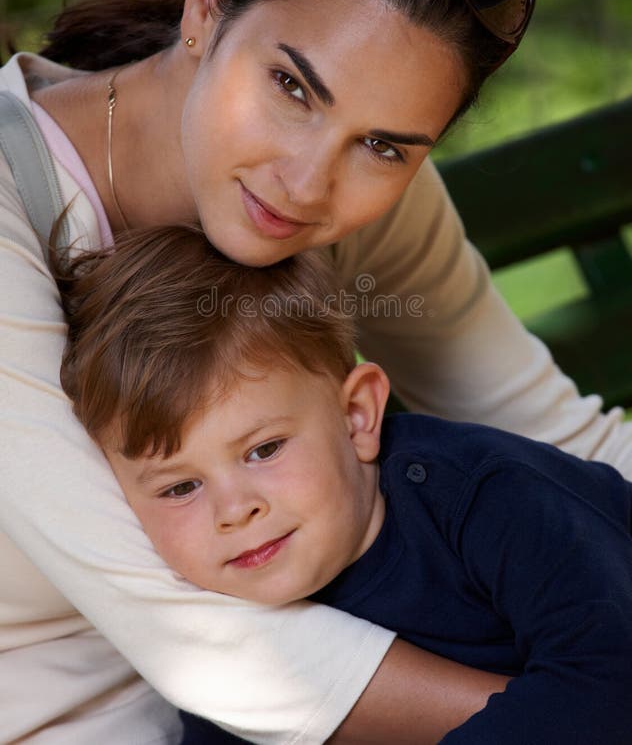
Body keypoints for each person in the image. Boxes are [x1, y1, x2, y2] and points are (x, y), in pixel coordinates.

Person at [0, 0, 630, 741]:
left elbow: (563, 437)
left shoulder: (353, 199)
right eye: (292, 87)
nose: (305, 181)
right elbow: (191, 638)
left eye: (386, 147)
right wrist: (585, 703)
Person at [56, 223, 632, 745]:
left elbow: (608, 678)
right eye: (180, 488)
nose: (234, 511)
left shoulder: (486, 497)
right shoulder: (228, 646)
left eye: (264, 449)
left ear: (357, 416)